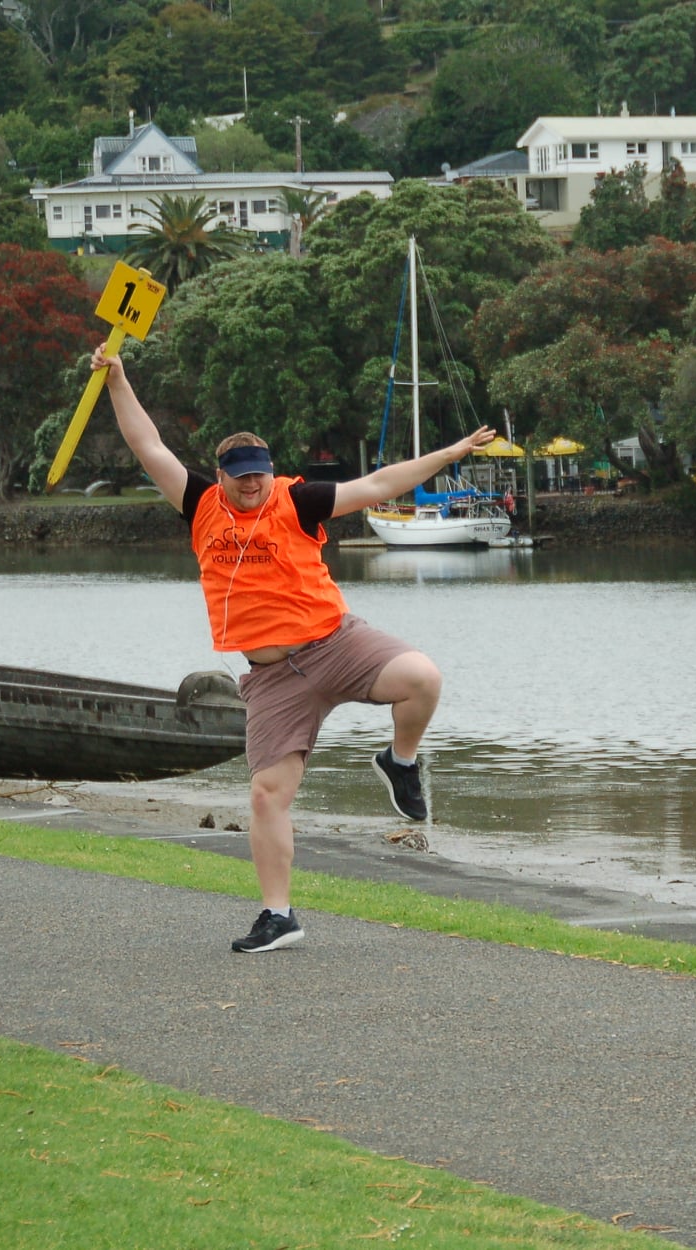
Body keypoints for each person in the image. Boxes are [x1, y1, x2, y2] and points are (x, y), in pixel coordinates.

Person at [92, 343, 495, 953]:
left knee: (423, 678)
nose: (253, 483)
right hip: (273, 677)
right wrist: (117, 378)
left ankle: (400, 761)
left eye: (260, 472)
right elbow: (148, 445)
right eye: (241, 476)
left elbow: (378, 483)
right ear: (221, 476)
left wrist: (451, 453)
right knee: (266, 795)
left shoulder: (297, 500)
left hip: (335, 643)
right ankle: (279, 916)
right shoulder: (200, 504)